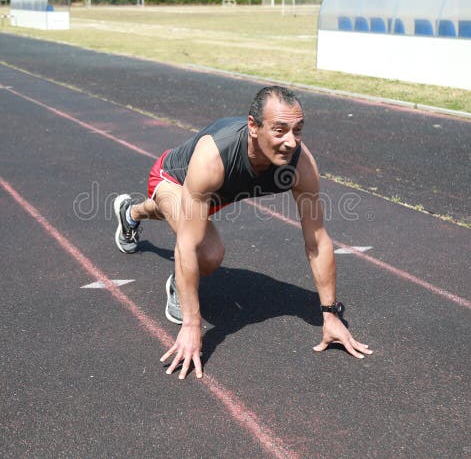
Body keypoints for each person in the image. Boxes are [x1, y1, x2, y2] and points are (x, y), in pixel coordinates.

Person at [113, 86, 372, 380]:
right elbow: (187, 245)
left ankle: (131, 213)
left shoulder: (300, 164)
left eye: (298, 130)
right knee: (207, 253)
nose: (291, 141)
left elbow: (317, 241)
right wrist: (191, 325)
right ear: (253, 126)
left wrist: (330, 314)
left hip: (219, 191)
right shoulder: (213, 158)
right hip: (174, 179)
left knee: (175, 215)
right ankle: (178, 283)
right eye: (280, 131)